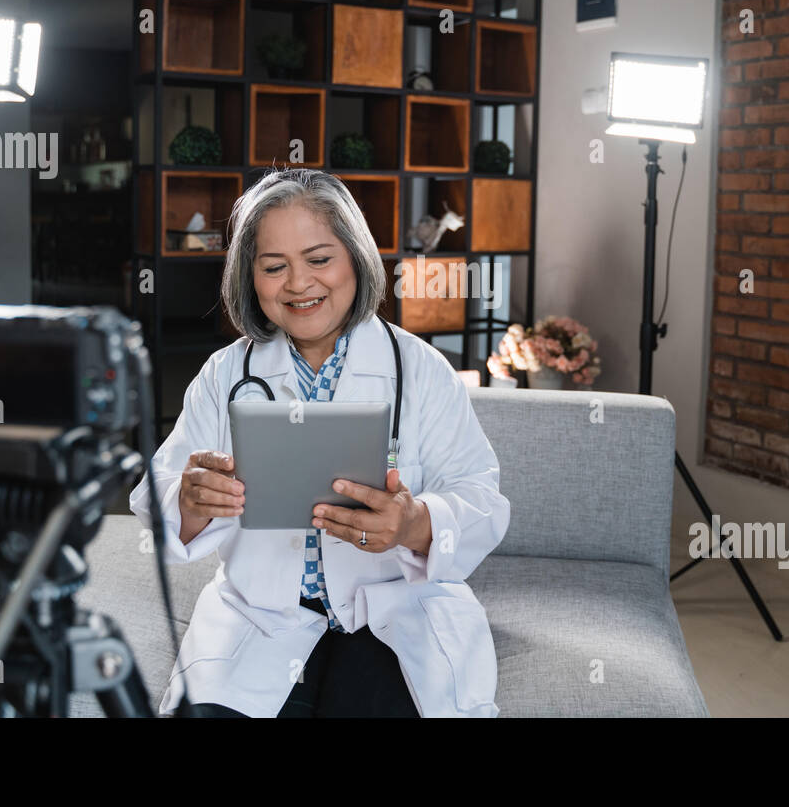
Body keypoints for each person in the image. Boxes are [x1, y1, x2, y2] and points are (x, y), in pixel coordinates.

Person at [129, 167, 509, 717]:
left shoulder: (421, 369)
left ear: (354, 257)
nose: (299, 283)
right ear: (249, 278)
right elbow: (161, 495)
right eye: (273, 267)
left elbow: (482, 498)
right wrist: (189, 503)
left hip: (394, 613)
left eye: (319, 259)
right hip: (261, 617)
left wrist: (415, 523)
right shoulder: (224, 374)